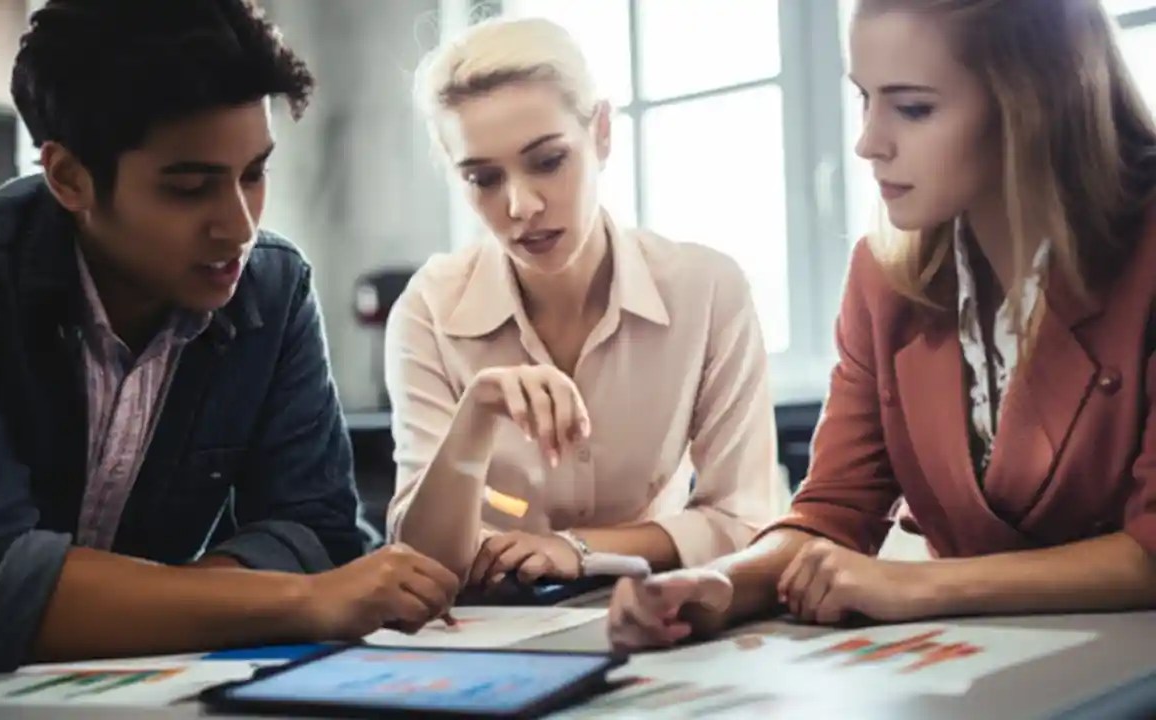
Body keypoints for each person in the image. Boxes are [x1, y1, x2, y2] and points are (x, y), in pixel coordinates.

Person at [0, 0, 457, 673]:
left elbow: (318, 527)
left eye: (254, 173)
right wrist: (302, 601)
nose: (239, 227)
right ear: (68, 177)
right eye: (188, 188)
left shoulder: (270, 286)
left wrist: (124, 609)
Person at [607, 0, 1156, 652]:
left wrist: (912, 585)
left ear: (1033, 105)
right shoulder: (882, 280)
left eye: (913, 108)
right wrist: (721, 585)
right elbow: (833, 512)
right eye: (865, 99)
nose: (868, 141)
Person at [384, 17, 785, 590]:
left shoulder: (708, 291)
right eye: (484, 179)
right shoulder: (427, 311)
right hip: (485, 633)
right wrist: (474, 418)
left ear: (600, 133)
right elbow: (422, 564)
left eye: (548, 161)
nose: (521, 206)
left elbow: (745, 521)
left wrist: (575, 550)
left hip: (659, 611)